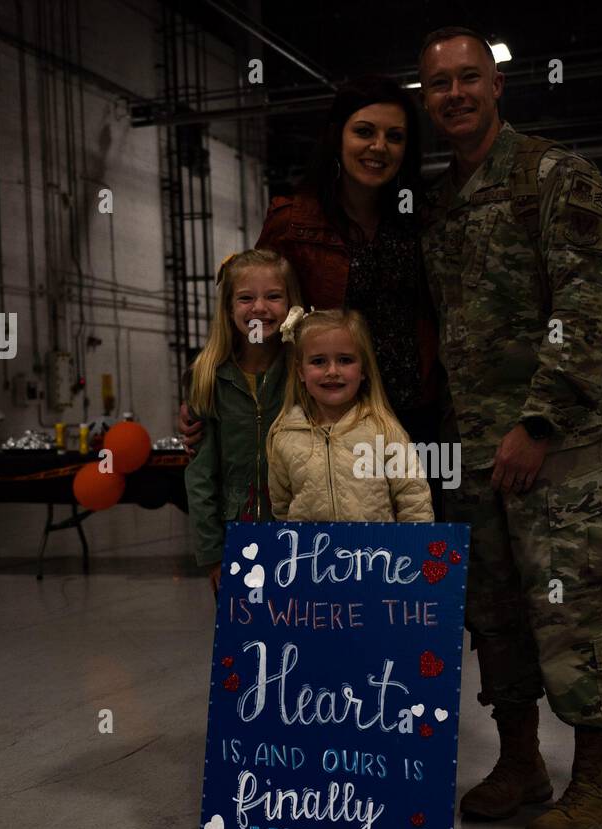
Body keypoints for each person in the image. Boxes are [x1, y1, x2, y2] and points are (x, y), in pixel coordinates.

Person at [418, 26, 602, 829]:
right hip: (472, 455)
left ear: (497, 85)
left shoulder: (556, 176)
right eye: (439, 85)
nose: (456, 95)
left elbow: (588, 310)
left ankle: (597, 786)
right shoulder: (438, 206)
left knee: (570, 615)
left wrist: (536, 423)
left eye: (470, 78)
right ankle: (521, 765)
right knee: (495, 619)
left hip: (556, 450)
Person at [180, 77, 442, 458]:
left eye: (395, 136)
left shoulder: (425, 219)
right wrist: (207, 393)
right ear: (337, 137)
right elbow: (253, 317)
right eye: (364, 132)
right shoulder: (292, 221)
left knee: (420, 514)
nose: (379, 147)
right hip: (324, 424)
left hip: (416, 420)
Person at [183, 249, 304, 594]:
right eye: (246, 298)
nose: (260, 308)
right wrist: (211, 553)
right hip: (238, 534)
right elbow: (200, 475)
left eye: (274, 296)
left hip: (302, 530)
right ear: (227, 308)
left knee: (301, 634)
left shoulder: (305, 372)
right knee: (249, 641)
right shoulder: (206, 376)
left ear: (291, 303)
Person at [267, 308, 433, 523]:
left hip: (376, 553)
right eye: (318, 361)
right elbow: (281, 508)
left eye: (345, 360)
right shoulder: (284, 435)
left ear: (363, 368)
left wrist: (413, 549)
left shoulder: (385, 430)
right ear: (300, 371)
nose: (332, 371)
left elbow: (414, 500)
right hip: (313, 553)